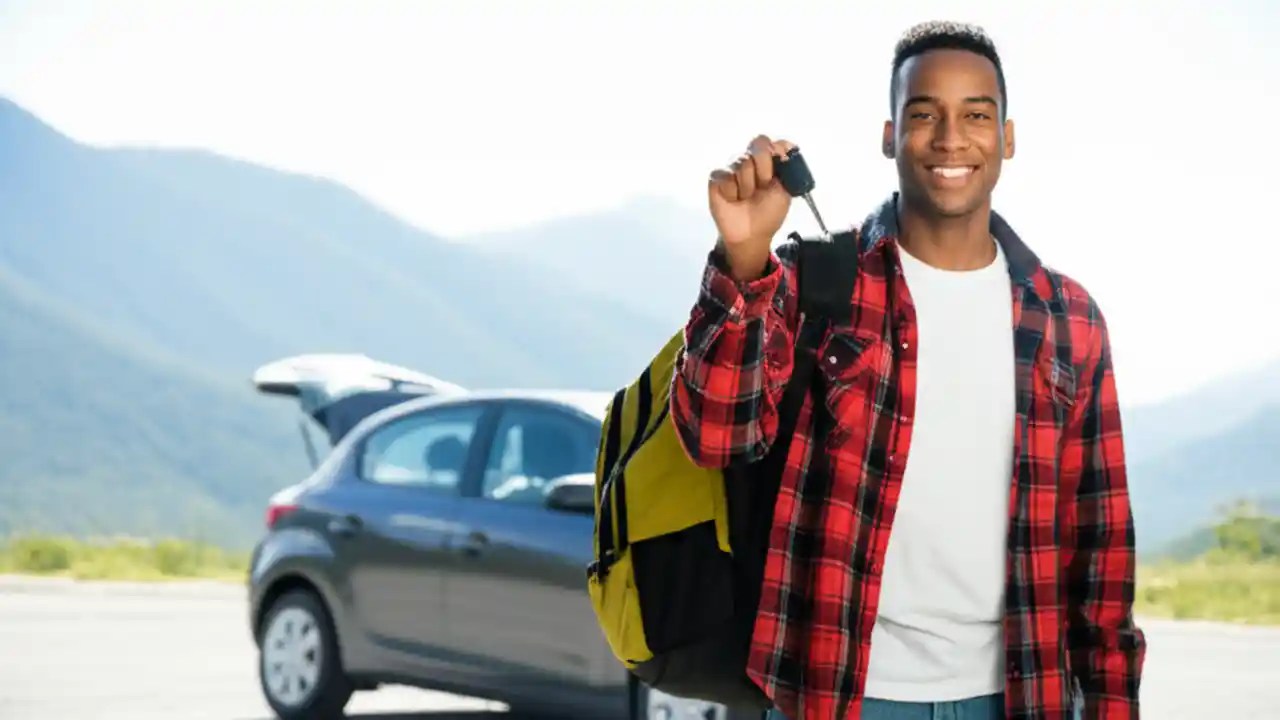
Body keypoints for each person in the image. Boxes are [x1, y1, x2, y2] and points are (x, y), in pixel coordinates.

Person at [669, 20, 1146, 720]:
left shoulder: (1068, 321)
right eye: (925, 115)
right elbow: (715, 436)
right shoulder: (813, 285)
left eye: (976, 115)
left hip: (1014, 699)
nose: (951, 138)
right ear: (890, 135)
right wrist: (744, 257)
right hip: (837, 697)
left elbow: (1100, 560)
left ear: (1006, 139)